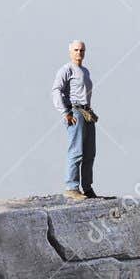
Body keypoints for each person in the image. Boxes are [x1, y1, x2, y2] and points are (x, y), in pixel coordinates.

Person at [52, 40, 100, 200]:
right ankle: (72, 187)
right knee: (76, 150)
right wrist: (65, 112)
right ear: (70, 51)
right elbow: (56, 90)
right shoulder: (66, 70)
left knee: (89, 152)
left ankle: (87, 187)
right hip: (75, 111)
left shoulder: (85, 71)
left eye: (82, 50)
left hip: (87, 112)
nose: (79, 53)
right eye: (76, 50)